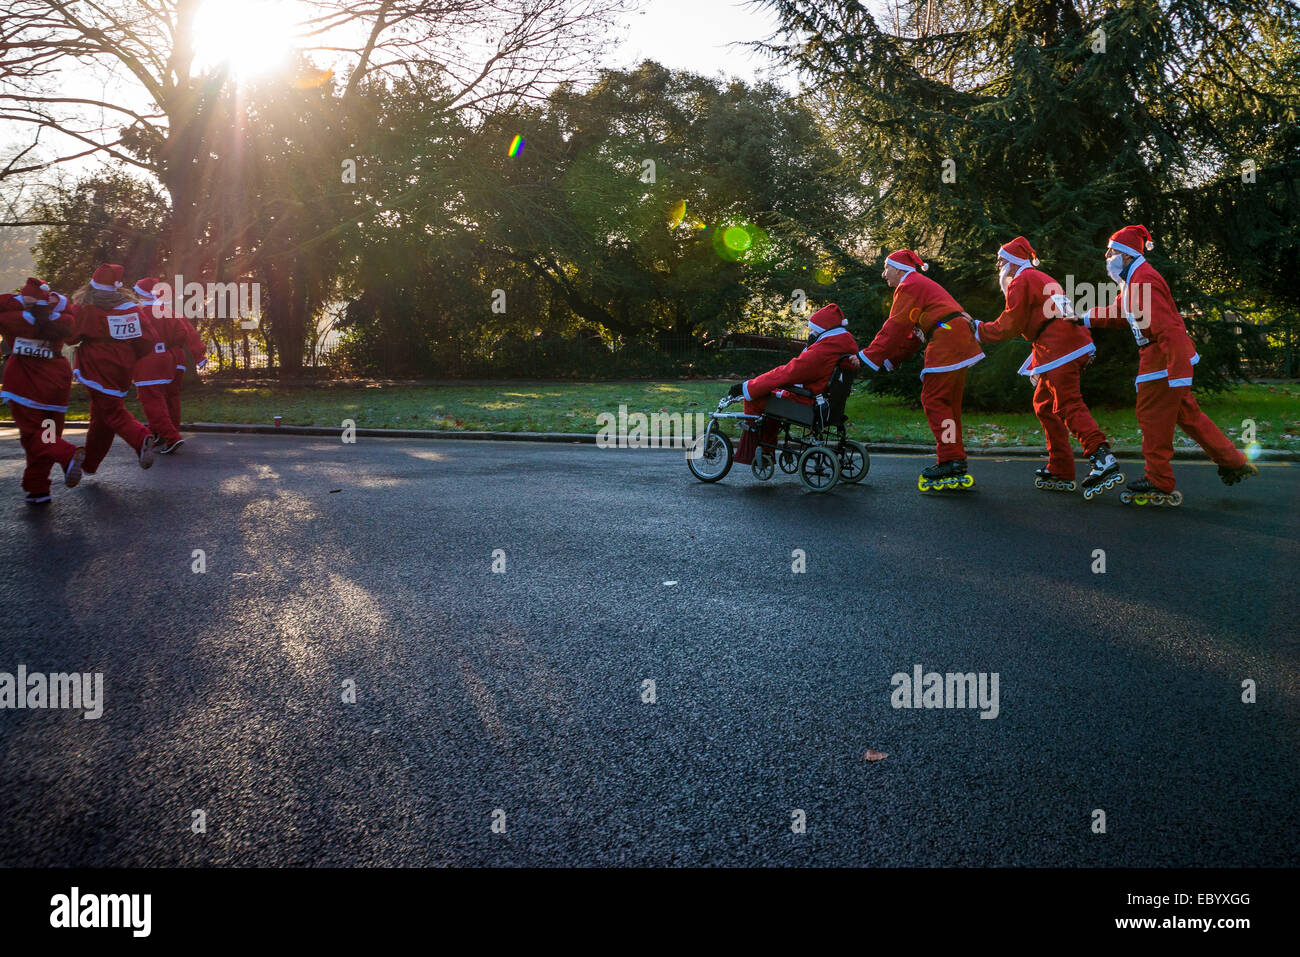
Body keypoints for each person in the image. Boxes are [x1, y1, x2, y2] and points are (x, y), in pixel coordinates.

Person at [1068, 225, 1257, 506]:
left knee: (1151, 417)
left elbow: (1168, 329)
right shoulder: (1134, 280)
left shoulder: (1143, 281)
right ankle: (1233, 461)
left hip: (1161, 360)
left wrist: (1179, 374)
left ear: (1127, 255)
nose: (1107, 256)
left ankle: (1158, 479)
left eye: (1112, 252)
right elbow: (1122, 313)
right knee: (1189, 416)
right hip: (1163, 358)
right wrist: (1084, 317)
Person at [971, 236, 1122, 499]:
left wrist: (978, 330)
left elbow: (1010, 324)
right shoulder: (1040, 277)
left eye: (1000, 260)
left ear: (1012, 262)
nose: (997, 266)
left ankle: (1101, 456)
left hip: (1058, 347)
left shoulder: (1021, 280)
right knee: (1043, 403)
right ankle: (1061, 467)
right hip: (1068, 343)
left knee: (1067, 404)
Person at [853, 249, 984, 491]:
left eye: (886, 268)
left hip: (946, 337)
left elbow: (895, 326)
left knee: (933, 399)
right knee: (947, 404)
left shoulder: (909, 284)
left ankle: (950, 460)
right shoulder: (920, 285)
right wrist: (889, 361)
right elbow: (913, 336)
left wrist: (866, 357)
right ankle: (955, 457)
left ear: (900, 269)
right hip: (954, 335)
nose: (883, 274)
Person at [726, 303, 860, 467]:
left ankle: (757, 452)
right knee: (771, 394)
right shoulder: (843, 345)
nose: (811, 333)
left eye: (814, 330)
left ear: (823, 330)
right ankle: (766, 449)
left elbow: (789, 372)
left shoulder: (822, 351)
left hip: (808, 404)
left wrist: (748, 387)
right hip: (828, 404)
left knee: (755, 399)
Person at [0, 278, 84, 504]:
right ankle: (37, 488)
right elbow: (71, 314)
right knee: (47, 434)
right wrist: (53, 302)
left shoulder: (13, 319)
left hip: (24, 384)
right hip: (56, 383)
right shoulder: (63, 320)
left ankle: (67, 455)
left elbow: (3, 303)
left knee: (33, 435)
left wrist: (20, 301)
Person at [69, 263, 158, 474]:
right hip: (123, 361)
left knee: (110, 410)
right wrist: (132, 354)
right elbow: (148, 339)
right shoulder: (131, 308)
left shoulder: (84, 306)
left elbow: (70, 335)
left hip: (96, 361)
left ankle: (140, 437)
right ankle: (90, 464)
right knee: (101, 415)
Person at [129, 277, 184, 454]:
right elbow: (182, 333)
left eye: (137, 292)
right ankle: (161, 433)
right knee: (162, 398)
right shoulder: (166, 310)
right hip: (166, 358)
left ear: (142, 293)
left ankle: (171, 437)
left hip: (147, 360)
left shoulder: (138, 312)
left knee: (150, 401)